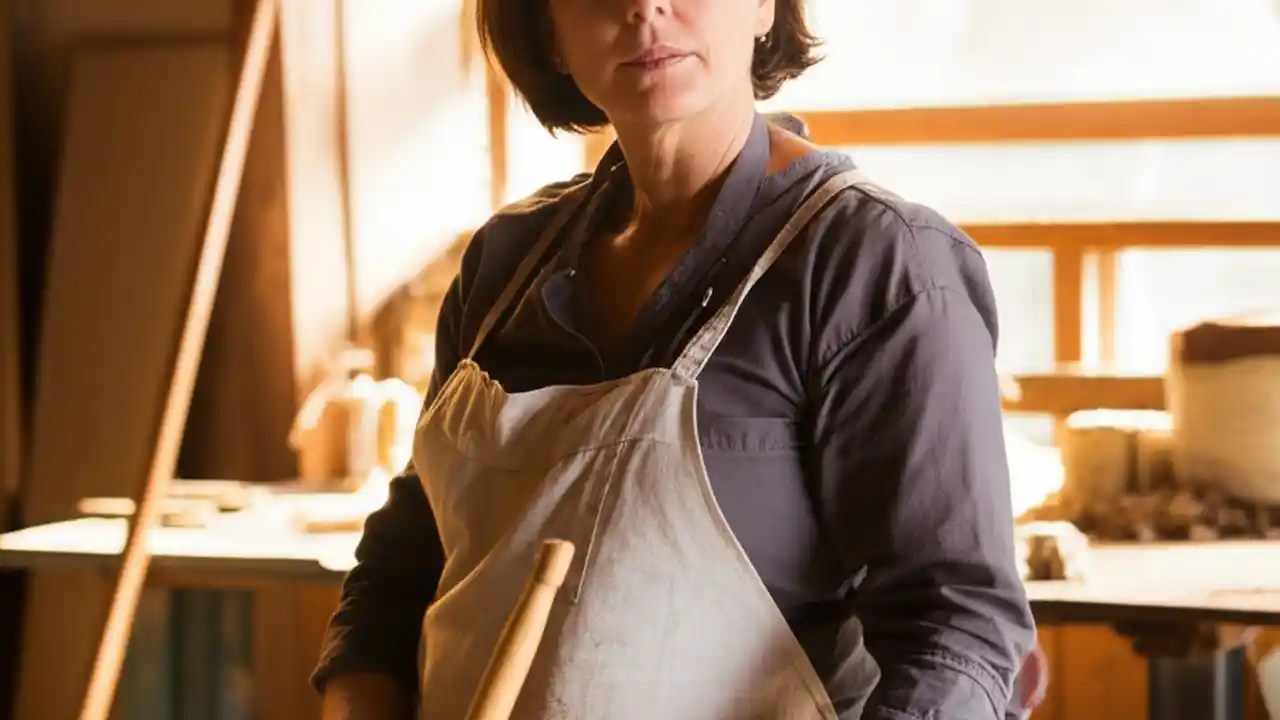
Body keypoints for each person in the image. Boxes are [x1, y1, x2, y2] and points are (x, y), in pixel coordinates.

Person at [314, 0, 1037, 718]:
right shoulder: (504, 264)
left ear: (763, 7)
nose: (642, 8)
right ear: (548, 32)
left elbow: (954, 633)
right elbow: (406, 558)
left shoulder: (874, 266)